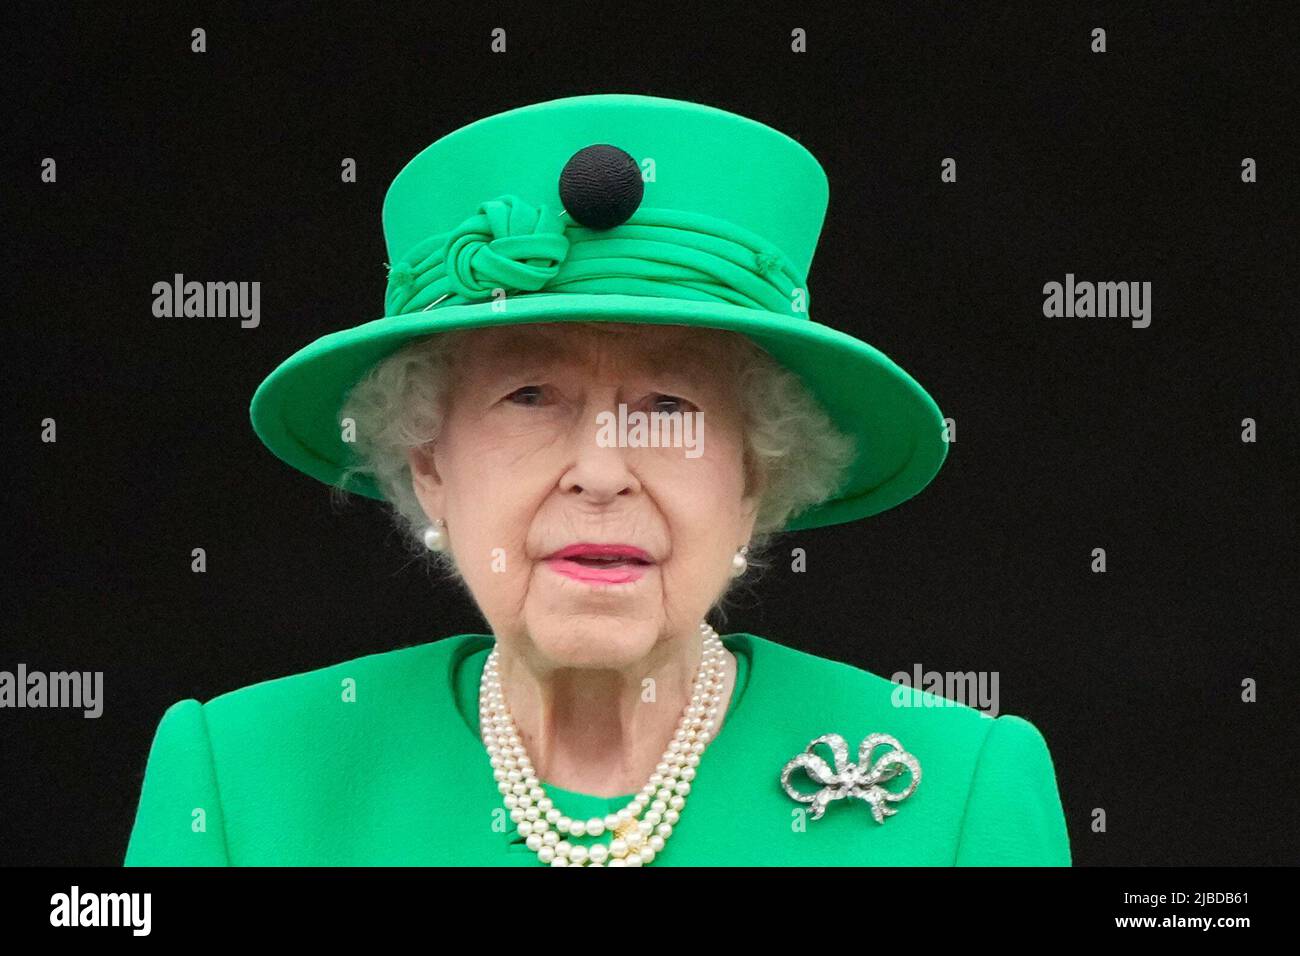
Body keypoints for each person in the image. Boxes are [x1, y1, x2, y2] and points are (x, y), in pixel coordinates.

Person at [124, 93, 1069, 866]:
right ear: (428, 465)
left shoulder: (957, 792)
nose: (601, 472)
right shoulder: (240, 779)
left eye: (668, 405)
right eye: (531, 394)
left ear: (756, 475)